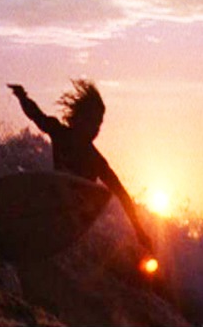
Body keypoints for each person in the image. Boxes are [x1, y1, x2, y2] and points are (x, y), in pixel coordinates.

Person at [8, 79, 153, 252]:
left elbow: (122, 194)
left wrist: (139, 230)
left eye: (99, 124)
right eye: (93, 121)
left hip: (76, 212)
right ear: (79, 118)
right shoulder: (59, 132)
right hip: (55, 200)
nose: (96, 128)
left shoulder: (96, 161)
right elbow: (36, 115)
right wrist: (22, 97)